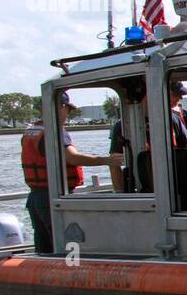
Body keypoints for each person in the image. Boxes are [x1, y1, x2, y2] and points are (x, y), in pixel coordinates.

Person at [21, 92, 121, 254]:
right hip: (53, 197)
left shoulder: (32, 130)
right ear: (61, 107)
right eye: (68, 110)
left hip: (35, 198)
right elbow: (72, 157)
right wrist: (106, 160)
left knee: (44, 247)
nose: (67, 115)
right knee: (65, 247)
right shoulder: (54, 130)